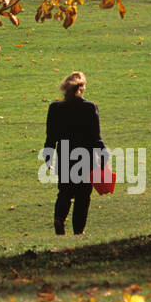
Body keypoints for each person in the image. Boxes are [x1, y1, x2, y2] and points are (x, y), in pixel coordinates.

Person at [41, 71, 108, 235]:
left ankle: (59, 219)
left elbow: (51, 137)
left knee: (65, 192)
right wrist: (104, 155)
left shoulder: (55, 108)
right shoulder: (89, 108)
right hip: (86, 157)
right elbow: (95, 137)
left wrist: (48, 156)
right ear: (82, 88)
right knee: (83, 196)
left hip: (65, 156)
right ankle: (78, 231)